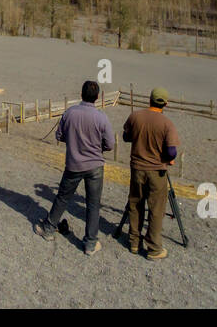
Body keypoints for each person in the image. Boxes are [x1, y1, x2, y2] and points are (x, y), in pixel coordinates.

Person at [34, 80, 114, 255]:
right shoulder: (101, 117)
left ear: (81, 94)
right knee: (93, 204)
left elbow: (59, 135)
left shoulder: (70, 113)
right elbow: (110, 144)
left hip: (74, 164)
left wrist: (74, 142)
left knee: (62, 197)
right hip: (95, 165)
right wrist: (95, 146)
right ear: (97, 97)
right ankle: (90, 244)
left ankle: (48, 229)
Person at [123, 87, 180, 259]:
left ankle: (134, 242)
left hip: (137, 169)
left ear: (150, 99)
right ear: (165, 103)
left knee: (135, 204)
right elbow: (171, 152)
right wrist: (166, 158)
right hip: (157, 172)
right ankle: (154, 248)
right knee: (156, 209)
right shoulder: (167, 123)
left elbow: (126, 137)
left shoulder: (135, 116)